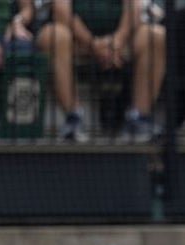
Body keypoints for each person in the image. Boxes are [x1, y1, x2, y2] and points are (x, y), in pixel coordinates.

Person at [63, 0, 165, 140]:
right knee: (54, 36)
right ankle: (73, 118)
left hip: (121, 42)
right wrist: (92, 44)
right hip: (77, 41)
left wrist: (117, 41)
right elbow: (60, 9)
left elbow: (135, 6)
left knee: (156, 35)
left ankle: (139, 118)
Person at [11, 0, 85, 142]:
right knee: (57, 37)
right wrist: (18, 21)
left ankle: (137, 118)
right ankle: (74, 117)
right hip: (57, 37)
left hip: (106, 41)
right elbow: (56, 10)